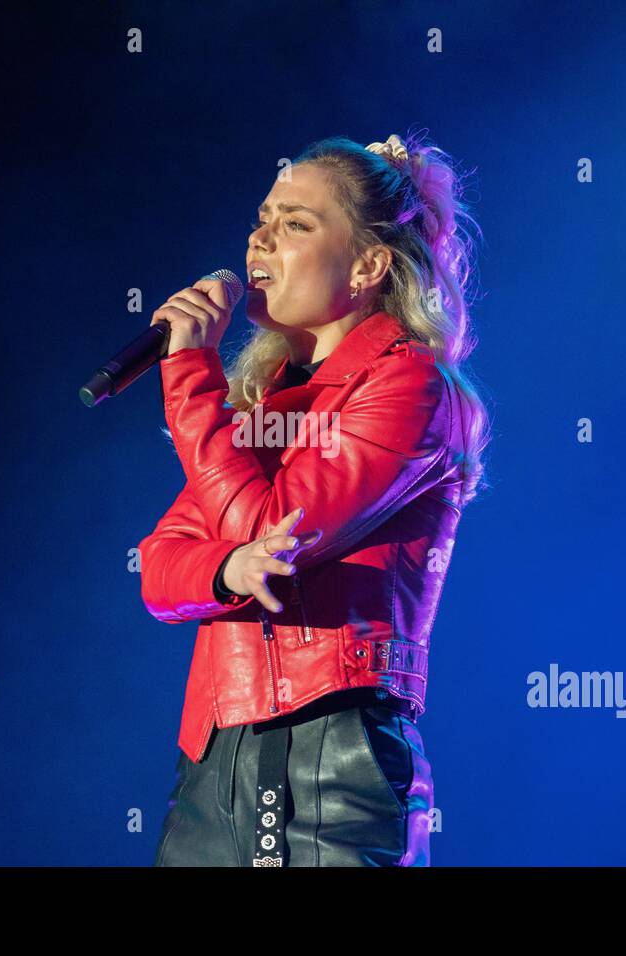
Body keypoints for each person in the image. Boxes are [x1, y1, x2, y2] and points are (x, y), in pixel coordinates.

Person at [138, 131, 489, 866]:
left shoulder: (413, 388)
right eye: (263, 217)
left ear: (367, 264)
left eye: (296, 223)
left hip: (333, 758)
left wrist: (189, 376)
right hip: (213, 765)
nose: (260, 237)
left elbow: (272, 527)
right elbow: (161, 567)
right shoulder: (264, 406)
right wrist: (230, 570)